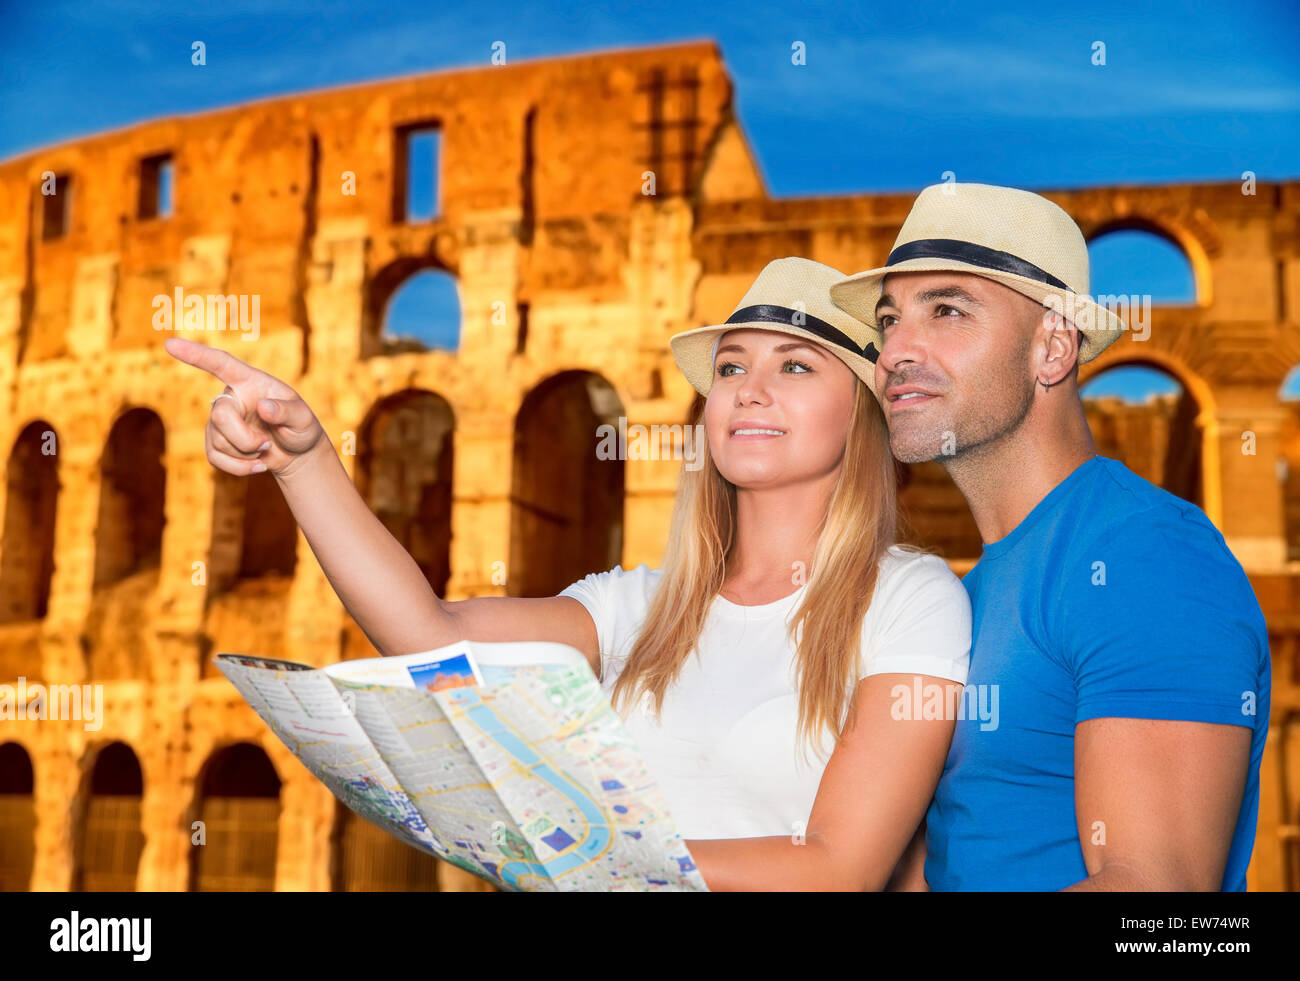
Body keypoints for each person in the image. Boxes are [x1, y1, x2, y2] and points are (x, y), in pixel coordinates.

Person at [165, 256, 972, 891]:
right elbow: (428, 633)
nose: (749, 389)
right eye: (729, 367)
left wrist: (584, 857)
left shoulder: (911, 597)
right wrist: (302, 461)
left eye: (796, 366)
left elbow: (840, 869)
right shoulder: (637, 603)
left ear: (861, 412)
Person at [828, 182, 1272, 891]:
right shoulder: (965, 591)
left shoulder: (1146, 558)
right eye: (889, 321)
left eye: (946, 310)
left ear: (1053, 349)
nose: (895, 352)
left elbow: (1156, 905)